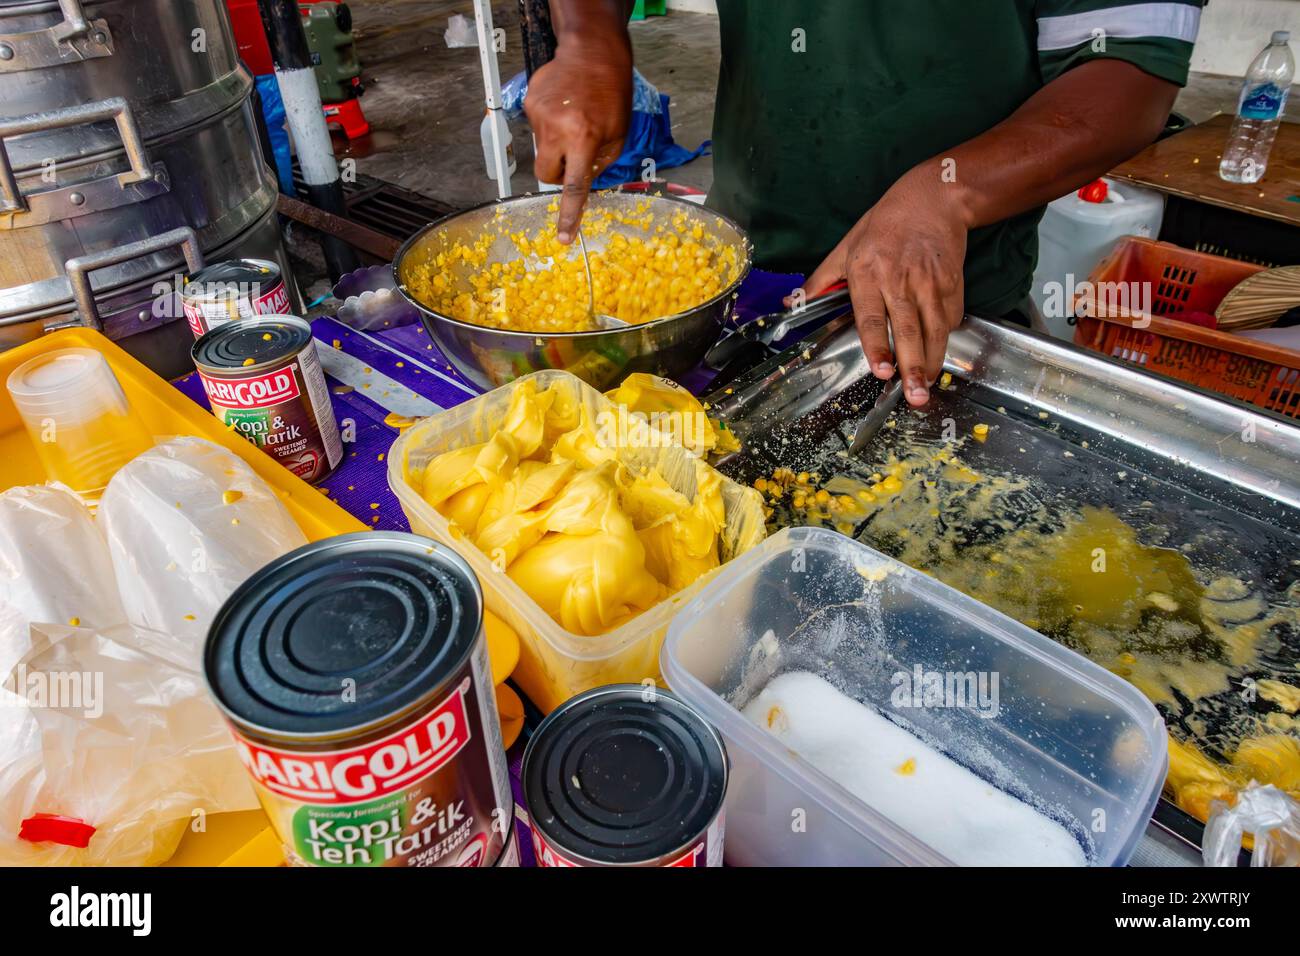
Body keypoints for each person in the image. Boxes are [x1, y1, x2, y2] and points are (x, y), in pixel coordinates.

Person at [525, 1, 1204, 406]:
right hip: (741, 274)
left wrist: (948, 188)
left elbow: (1126, 77)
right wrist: (589, 39)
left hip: (947, 297)